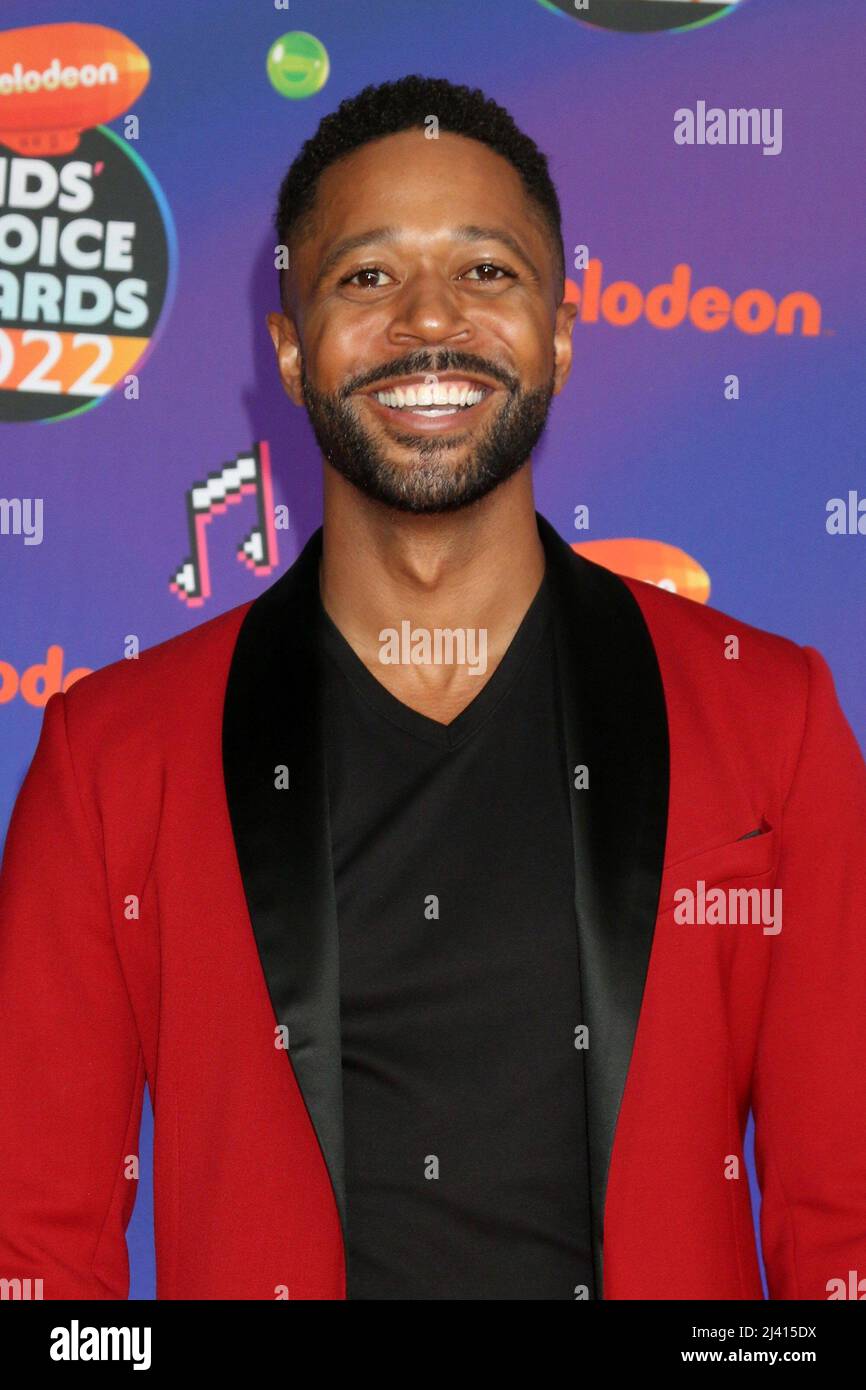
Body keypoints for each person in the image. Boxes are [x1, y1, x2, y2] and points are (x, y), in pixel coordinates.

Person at [1, 75, 865, 1302]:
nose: (426, 323)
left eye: (485, 272)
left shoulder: (768, 719)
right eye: (364, 278)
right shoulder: (110, 759)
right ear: (291, 348)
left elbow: (849, 1225)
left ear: (559, 332)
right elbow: (35, 1262)